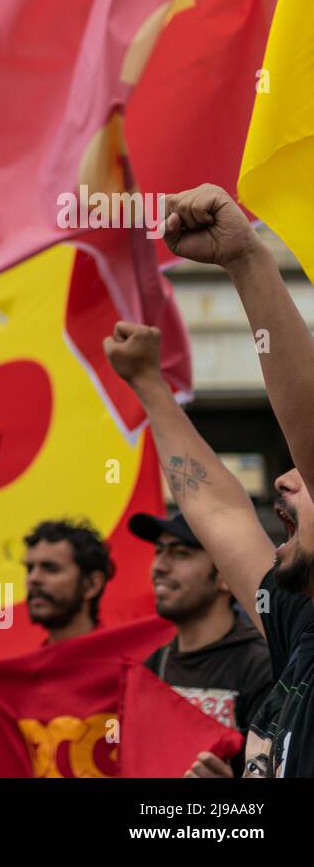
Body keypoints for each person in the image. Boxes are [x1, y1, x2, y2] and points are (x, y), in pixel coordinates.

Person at [104, 182, 314, 777]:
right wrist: (149, 385)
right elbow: (218, 512)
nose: (281, 486)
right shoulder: (297, 620)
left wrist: (247, 260)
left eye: (300, 478)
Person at [129, 511, 272, 777]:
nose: (159, 566)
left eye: (180, 553)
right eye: (159, 551)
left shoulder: (263, 666)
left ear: (225, 576)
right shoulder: (152, 666)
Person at [0, 519, 115, 704]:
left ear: (91, 585)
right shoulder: (19, 685)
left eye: (51, 569)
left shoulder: (131, 672)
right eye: (29, 569)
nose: (33, 579)